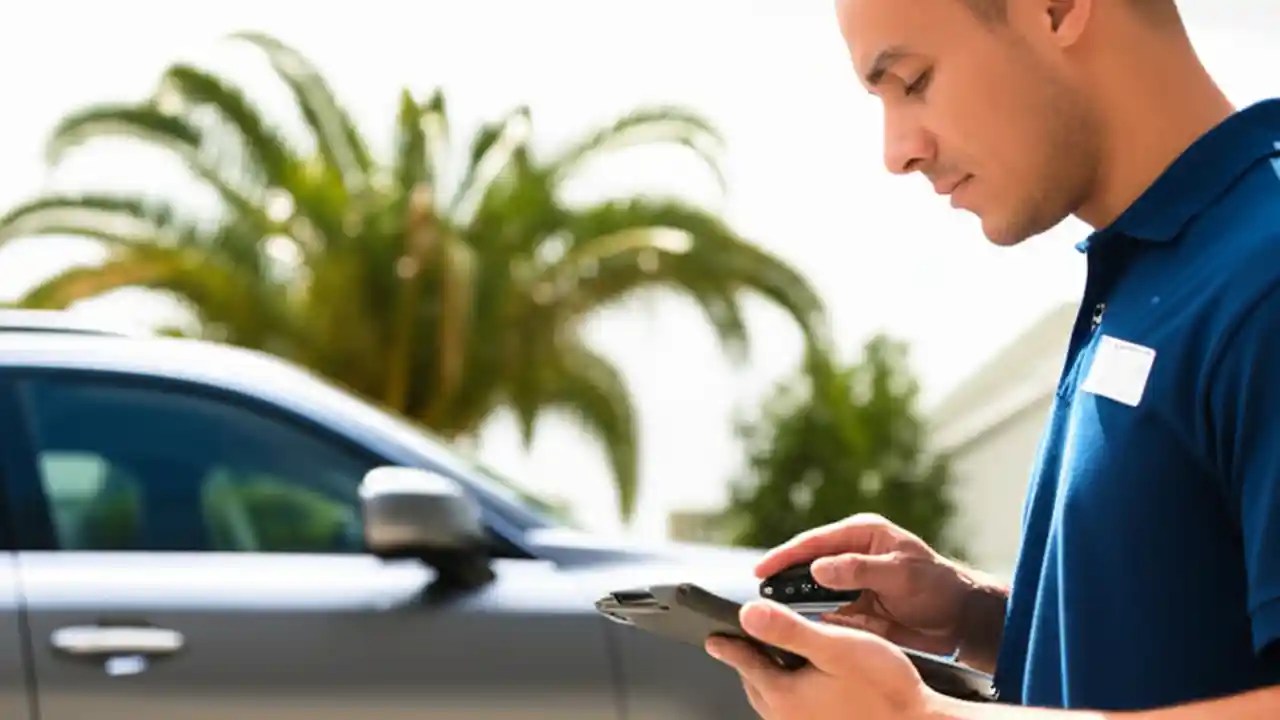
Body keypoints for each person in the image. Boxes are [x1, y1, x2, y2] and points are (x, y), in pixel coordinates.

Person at [704, 0, 1280, 718]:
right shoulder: (1155, 273)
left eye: (913, 81)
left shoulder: (1264, 281)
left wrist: (924, 717)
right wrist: (972, 614)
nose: (897, 151)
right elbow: (1183, 645)